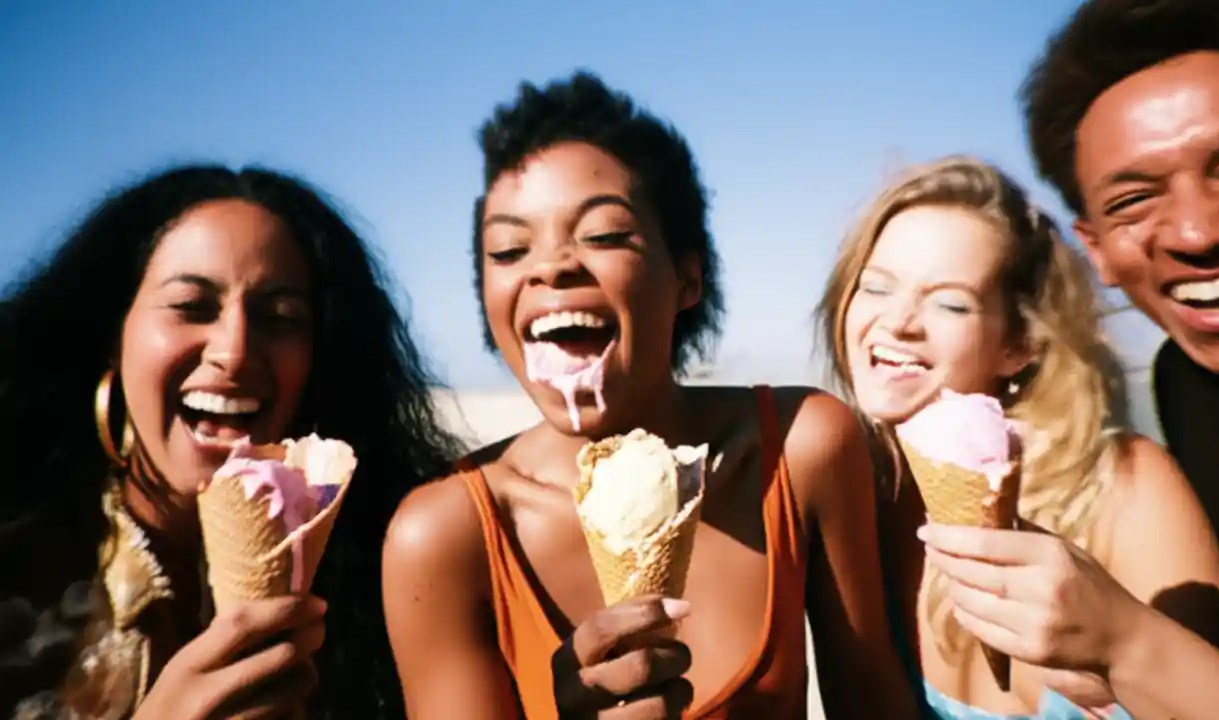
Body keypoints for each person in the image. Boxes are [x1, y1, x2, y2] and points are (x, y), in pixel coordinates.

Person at [382, 71, 918, 719]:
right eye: (508, 248)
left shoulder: (802, 447)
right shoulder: (443, 534)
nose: (550, 266)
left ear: (688, 277)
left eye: (604, 235)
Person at [0, 164, 460, 719]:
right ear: (112, 339)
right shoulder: (17, 557)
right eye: (191, 308)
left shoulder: (389, 574)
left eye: (280, 317)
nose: (235, 350)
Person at [815, 156, 1219, 718]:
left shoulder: (1122, 483)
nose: (898, 322)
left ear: (1020, 344)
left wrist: (1123, 668)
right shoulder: (853, 497)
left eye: (950, 302)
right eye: (876, 288)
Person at [1017, 0, 1219, 714]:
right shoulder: (1183, 387)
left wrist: (1131, 647)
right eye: (1134, 202)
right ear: (1095, 247)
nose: (1197, 232)